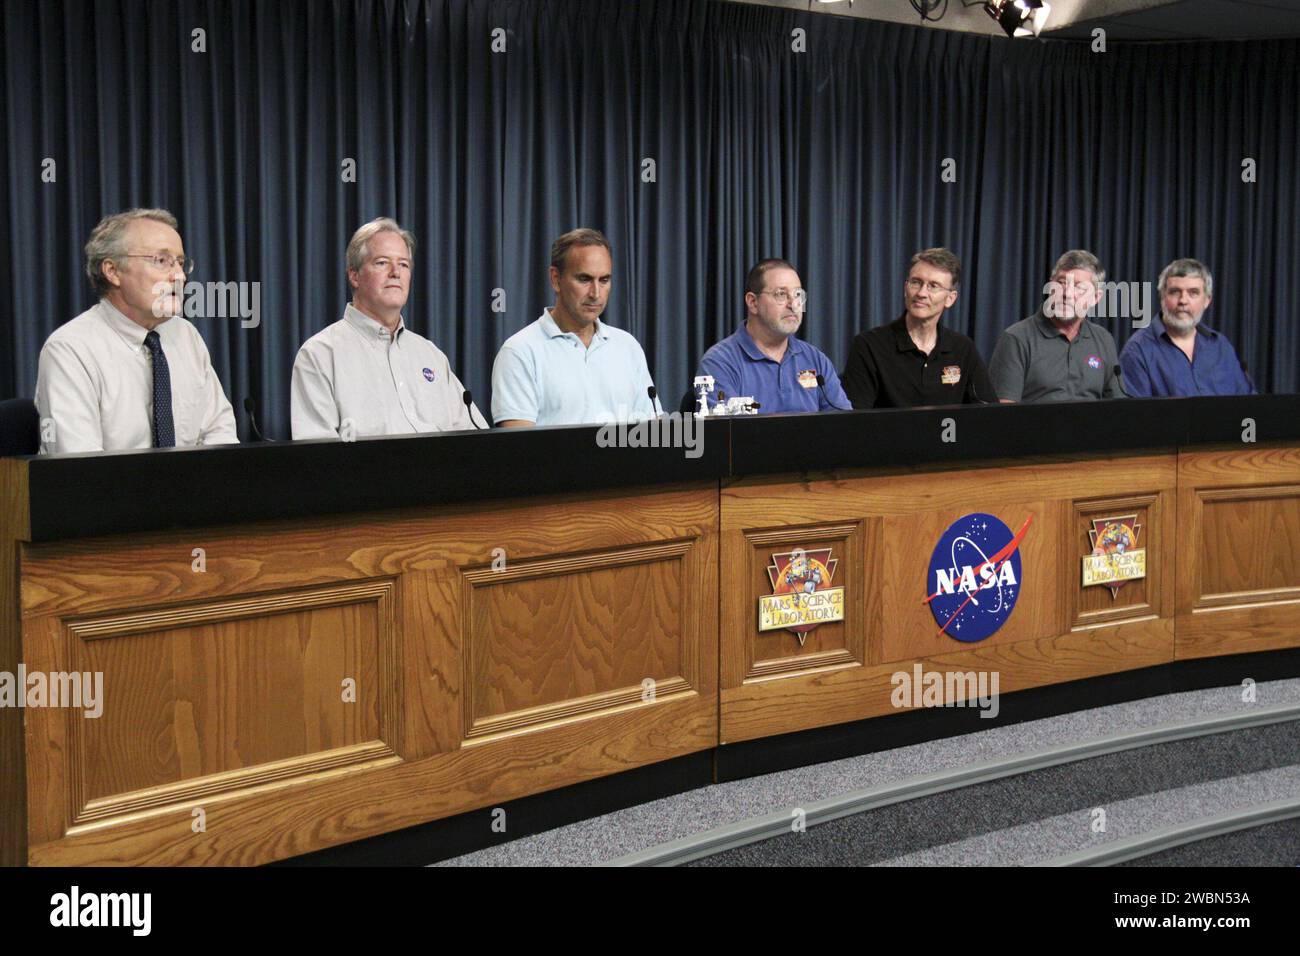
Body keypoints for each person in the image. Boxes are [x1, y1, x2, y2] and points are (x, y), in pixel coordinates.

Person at [35, 208, 238, 453]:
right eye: (162, 261)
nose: (179, 276)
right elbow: (79, 466)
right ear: (113, 271)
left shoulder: (186, 336)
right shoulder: (70, 350)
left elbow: (220, 433)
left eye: (181, 263)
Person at [291, 218, 485, 439]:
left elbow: (475, 438)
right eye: (382, 262)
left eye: (403, 264)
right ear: (354, 275)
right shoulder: (320, 355)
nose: (396, 272)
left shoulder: (430, 354)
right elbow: (316, 455)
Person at [492, 228, 659, 427]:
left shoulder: (628, 346)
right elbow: (519, 450)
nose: (596, 293)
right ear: (555, 279)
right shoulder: (520, 352)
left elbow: (652, 433)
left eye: (604, 280)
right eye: (584, 279)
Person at [841, 248, 994, 408]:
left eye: (933, 286)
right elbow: (856, 420)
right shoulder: (869, 345)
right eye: (916, 282)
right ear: (905, 288)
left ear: (950, 298)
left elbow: (987, 414)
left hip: (949, 434)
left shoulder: (963, 348)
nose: (921, 293)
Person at [695, 258, 849, 414]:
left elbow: (844, 425)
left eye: (797, 294)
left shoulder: (815, 359)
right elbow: (727, 434)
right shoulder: (720, 362)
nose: (793, 304)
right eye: (781, 294)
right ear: (753, 302)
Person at [988, 249, 1125, 403]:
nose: (1067, 293)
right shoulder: (1017, 339)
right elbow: (1002, 415)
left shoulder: (1103, 339)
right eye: (1061, 283)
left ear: (1095, 298)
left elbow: (1117, 408)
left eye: (1079, 287)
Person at [1118, 258, 1254, 396]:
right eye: (1175, 292)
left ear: (1207, 300)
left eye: (1193, 293)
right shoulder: (1138, 350)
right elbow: (1135, 415)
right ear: (1162, 298)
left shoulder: (1220, 346)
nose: (1183, 301)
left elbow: (1248, 403)